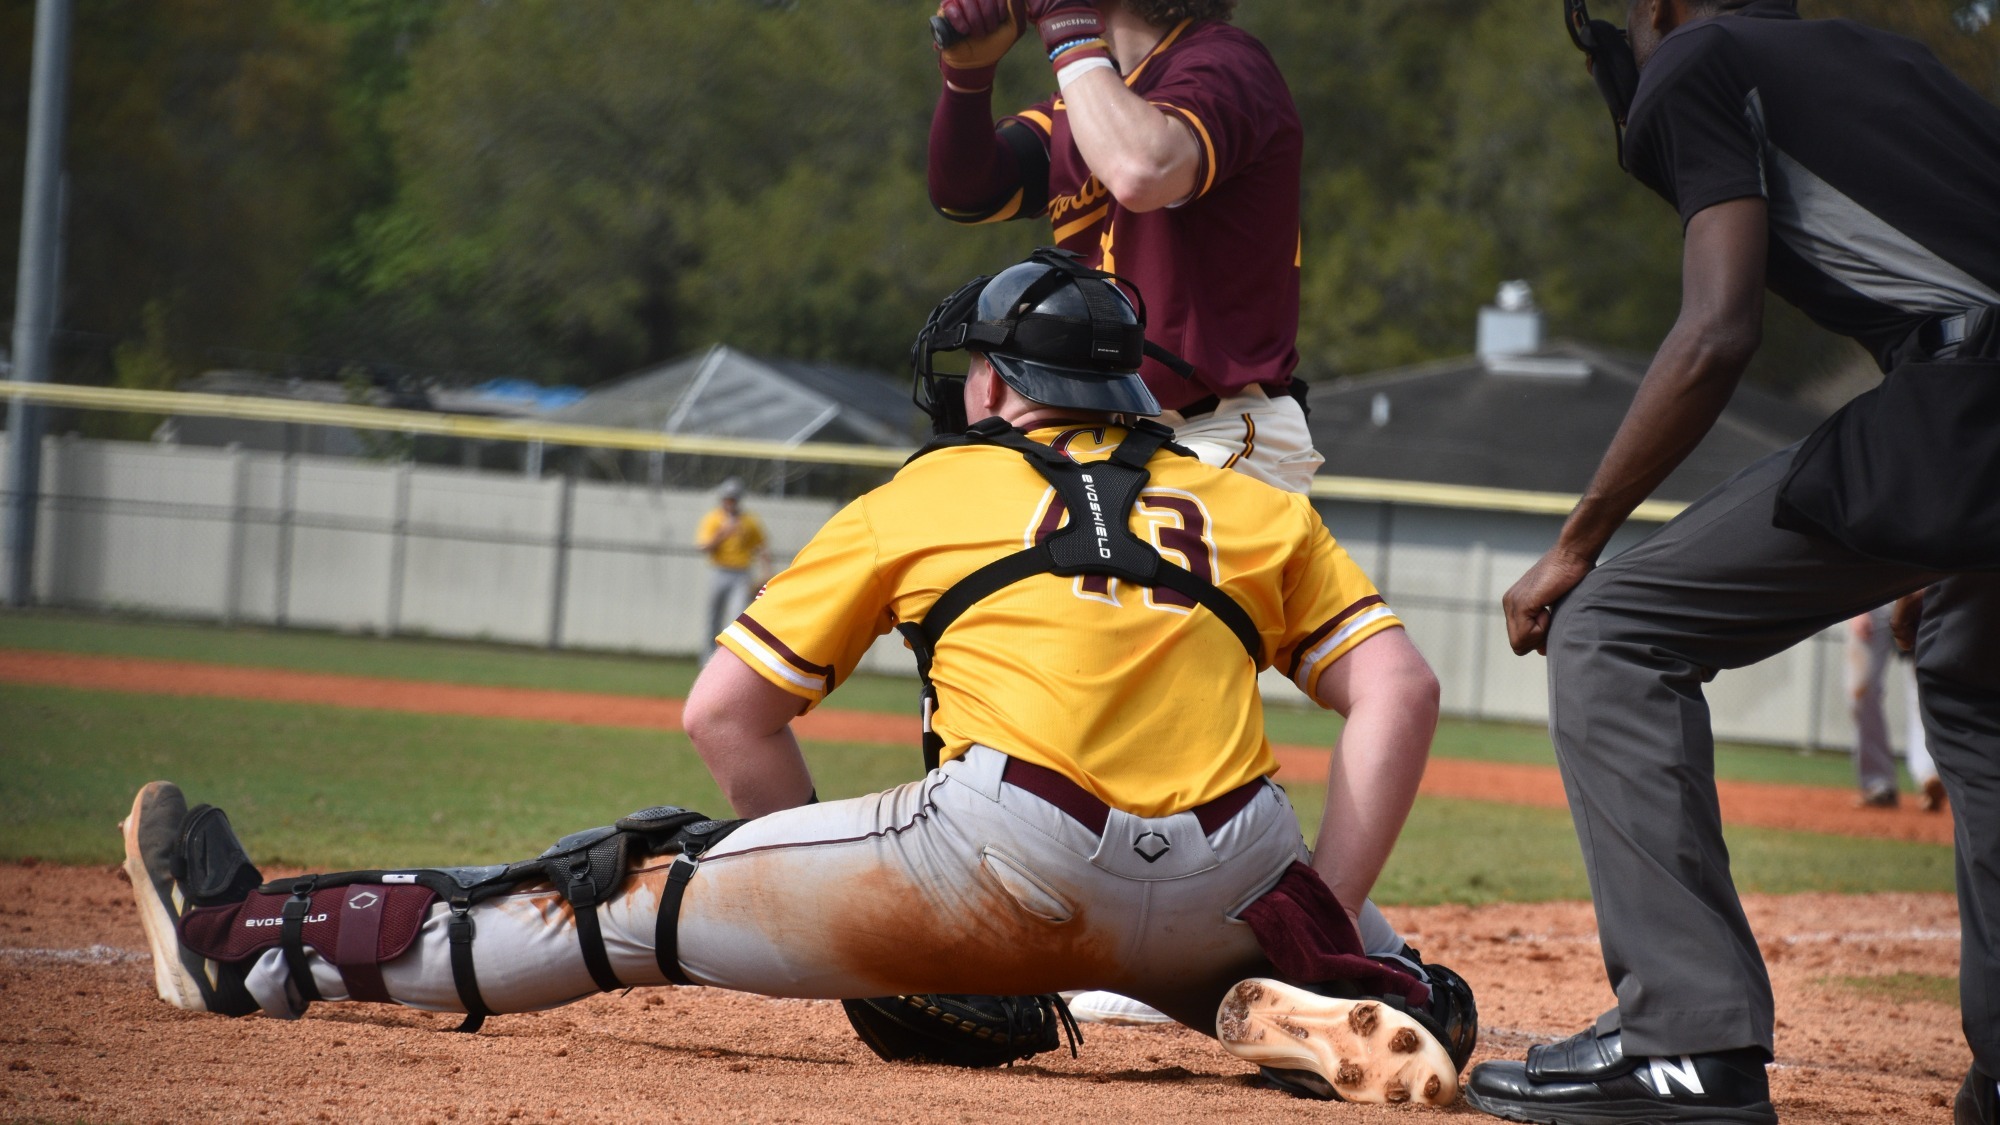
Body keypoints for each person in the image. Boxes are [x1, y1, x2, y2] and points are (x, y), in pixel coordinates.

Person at [120, 251, 1475, 1106]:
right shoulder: (1243, 504)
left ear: (1000, 387)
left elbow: (729, 714)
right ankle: (1330, 986)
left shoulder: (935, 486)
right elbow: (1397, 696)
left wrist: (862, 916)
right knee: (1390, 979)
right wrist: (1327, 907)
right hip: (1236, 873)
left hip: (1004, 850)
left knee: (627, 895)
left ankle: (243, 953)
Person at [1474, 2, 2000, 1123]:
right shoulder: (1884, 60)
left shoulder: (1697, 61)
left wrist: (1576, 545)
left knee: (1613, 629)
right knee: (1973, 679)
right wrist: (1942, 531)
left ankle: (1685, 1044)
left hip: (1967, 405)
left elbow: (1716, 332)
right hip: (1961, 415)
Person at [925, 0, 1320, 493]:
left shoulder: (1228, 63)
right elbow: (965, 192)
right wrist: (967, 75)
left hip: (1214, 430)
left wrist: (1065, 24)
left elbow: (1141, 170)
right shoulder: (1084, 102)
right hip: (1111, 438)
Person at [1846, 600, 1944, 812]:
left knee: (1923, 687)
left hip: (1920, 588)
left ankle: (1928, 776)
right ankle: (1878, 784)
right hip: (1873, 596)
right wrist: (1857, 608)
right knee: (1860, 691)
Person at [694, 478, 769, 662]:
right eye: (727, 498)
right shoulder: (714, 518)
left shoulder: (749, 521)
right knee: (713, 615)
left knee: (738, 617)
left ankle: (731, 660)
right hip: (719, 570)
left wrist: (766, 572)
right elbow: (704, 547)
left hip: (741, 573)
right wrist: (722, 533)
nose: (730, 502)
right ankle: (707, 659)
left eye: (734, 498)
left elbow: (762, 547)